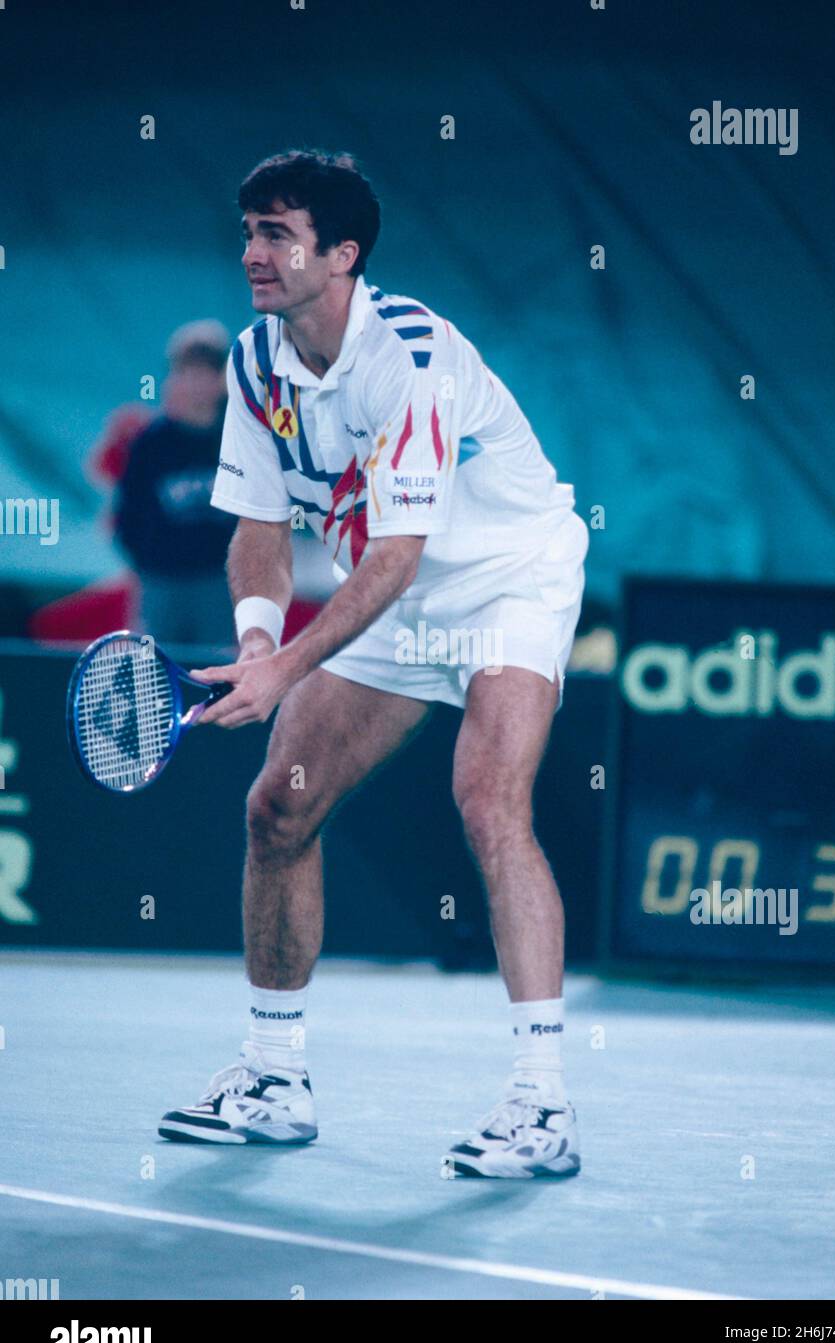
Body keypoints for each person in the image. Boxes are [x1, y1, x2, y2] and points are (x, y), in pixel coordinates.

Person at [158, 148, 589, 1179]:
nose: (255, 252)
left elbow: (396, 553)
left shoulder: (411, 357)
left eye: (279, 233)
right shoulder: (259, 363)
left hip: (504, 578)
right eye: (250, 229)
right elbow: (259, 523)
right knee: (276, 807)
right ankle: (273, 1076)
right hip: (393, 594)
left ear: (341, 253)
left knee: (487, 798)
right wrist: (259, 636)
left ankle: (541, 1102)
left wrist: (287, 667)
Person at [114, 321, 236, 648]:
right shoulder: (151, 444)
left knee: (218, 676)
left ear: (223, 378)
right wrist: (151, 566)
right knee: (153, 677)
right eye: (189, 372)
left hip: (220, 587)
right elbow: (127, 517)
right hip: (161, 585)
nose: (198, 383)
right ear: (175, 377)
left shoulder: (241, 438)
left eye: (207, 372)